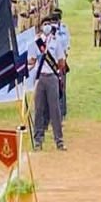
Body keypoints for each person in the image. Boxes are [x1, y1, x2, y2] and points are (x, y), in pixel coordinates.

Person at [32, 18, 65, 150]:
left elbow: (61, 61)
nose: (46, 26)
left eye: (48, 24)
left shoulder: (56, 42)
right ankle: (38, 140)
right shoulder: (36, 42)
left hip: (52, 77)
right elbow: (31, 59)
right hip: (39, 78)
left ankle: (59, 140)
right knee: (39, 109)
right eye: (44, 24)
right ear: (40, 27)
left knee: (55, 109)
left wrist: (54, 67)